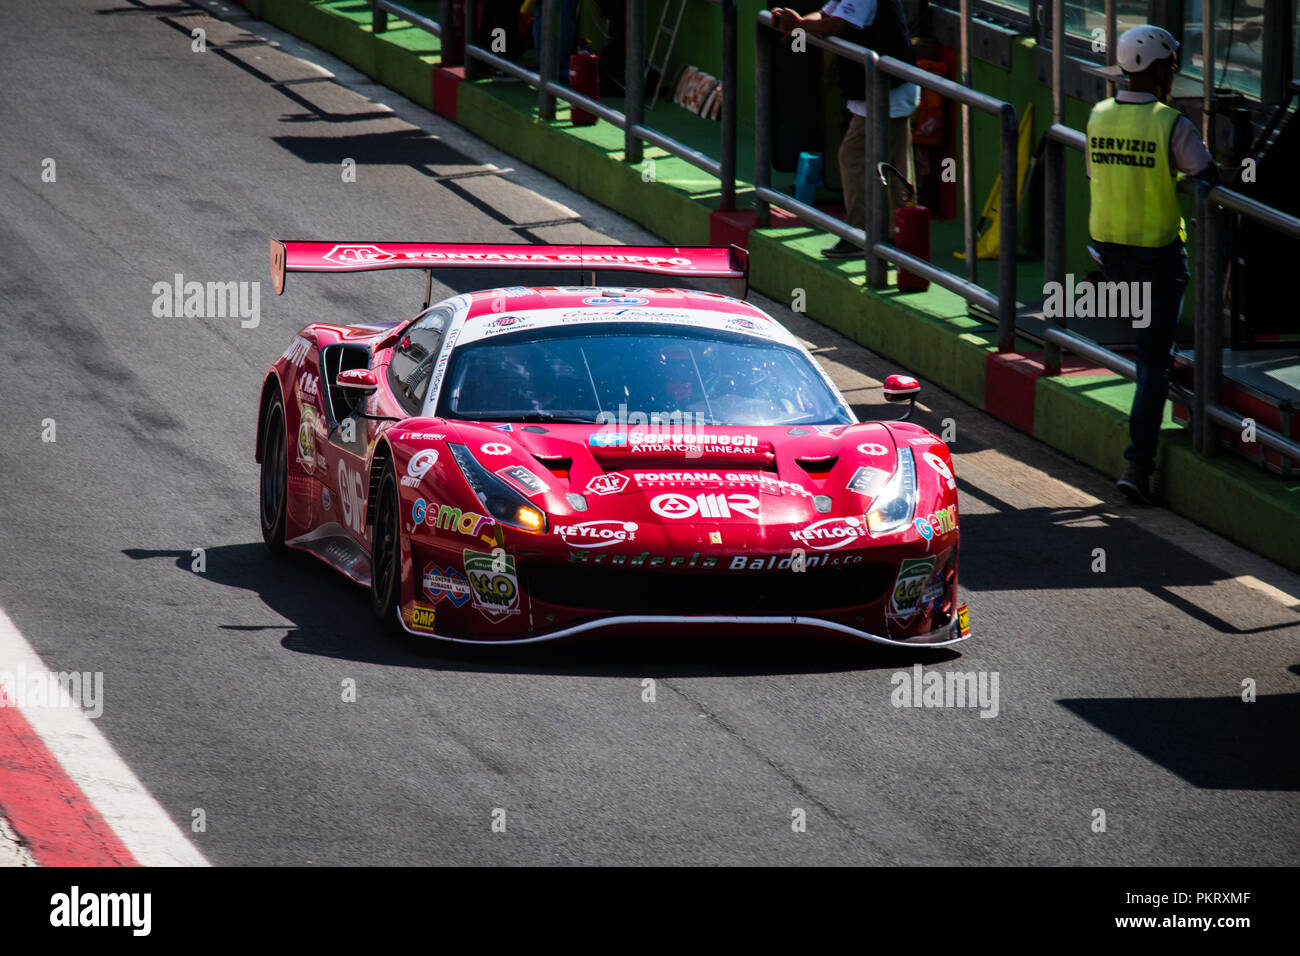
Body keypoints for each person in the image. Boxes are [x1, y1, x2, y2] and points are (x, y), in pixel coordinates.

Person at [1086, 25, 1217, 504]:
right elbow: (1205, 173)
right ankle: (1138, 463)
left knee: (1149, 350)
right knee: (1152, 361)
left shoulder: (1098, 115)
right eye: (1172, 66)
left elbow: (1096, 172)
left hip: (1109, 254)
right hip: (1156, 257)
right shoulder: (1171, 123)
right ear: (1160, 69)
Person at [770, 1, 920, 259]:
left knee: (874, 163)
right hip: (876, 89)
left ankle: (876, 236)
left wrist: (799, 25)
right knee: (881, 162)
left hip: (889, 90)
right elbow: (825, 15)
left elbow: (837, 25)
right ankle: (887, 235)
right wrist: (796, 22)